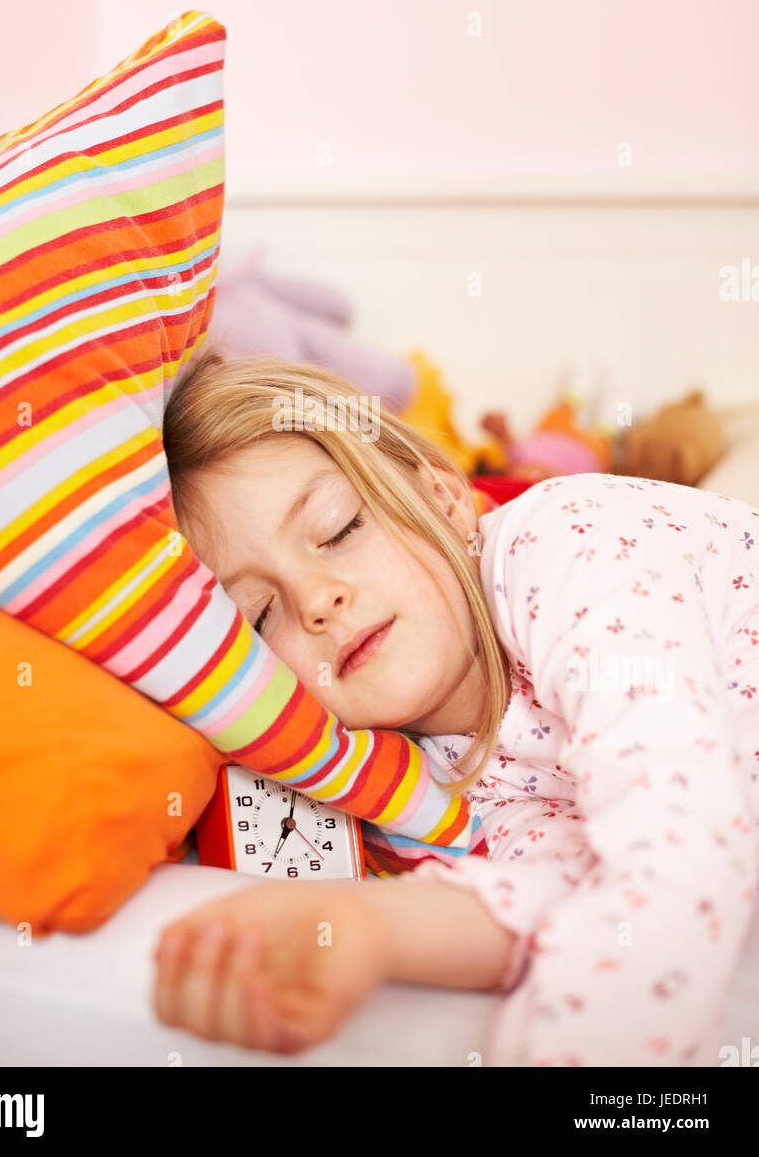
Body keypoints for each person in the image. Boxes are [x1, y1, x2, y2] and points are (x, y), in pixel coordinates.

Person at [152, 349, 759, 1066]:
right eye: (258, 616)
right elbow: (566, 892)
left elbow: (677, 831)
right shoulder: (443, 771)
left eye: (340, 527)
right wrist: (367, 927)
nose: (318, 601)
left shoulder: (568, 543)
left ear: (440, 495)